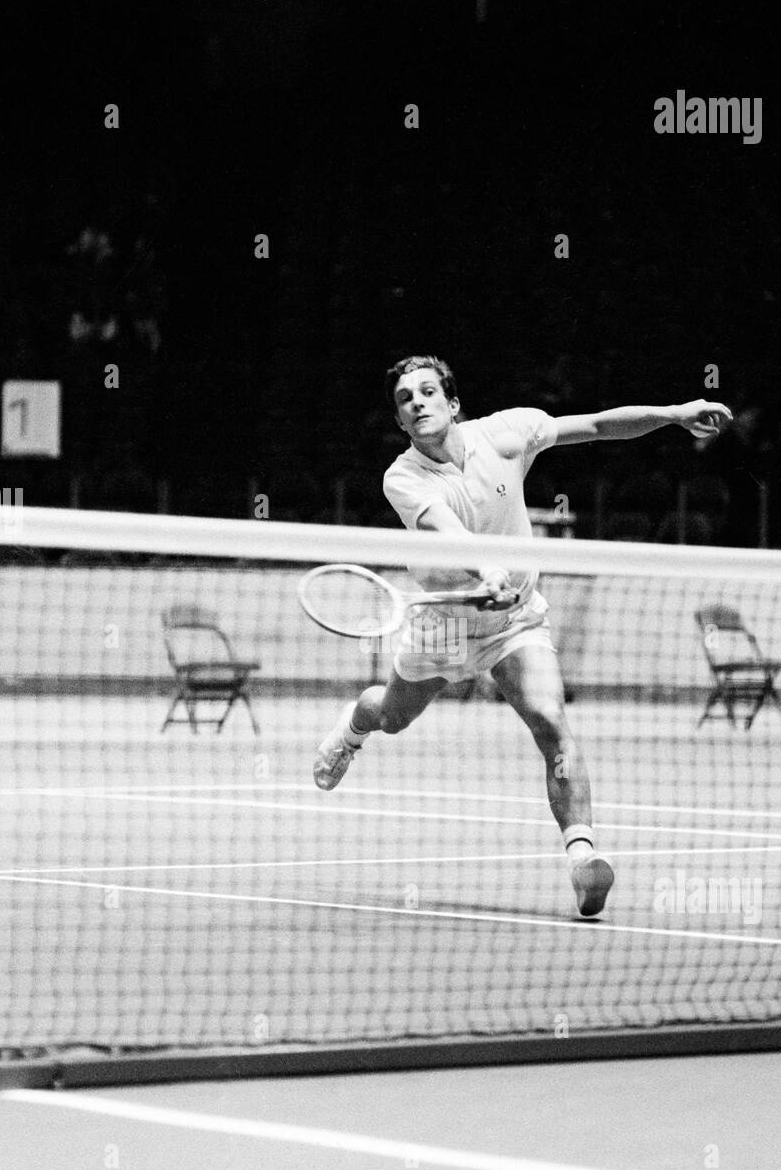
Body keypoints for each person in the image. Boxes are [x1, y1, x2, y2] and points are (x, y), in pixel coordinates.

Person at [313, 355, 732, 918]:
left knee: (551, 721)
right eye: (405, 399)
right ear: (402, 423)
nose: (417, 402)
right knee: (392, 715)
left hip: (515, 620)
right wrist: (487, 570)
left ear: (453, 403)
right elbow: (447, 528)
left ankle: (583, 858)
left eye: (428, 391)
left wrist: (676, 413)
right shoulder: (402, 477)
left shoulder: (509, 434)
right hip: (447, 621)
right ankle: (352, 729)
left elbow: (600, 424)